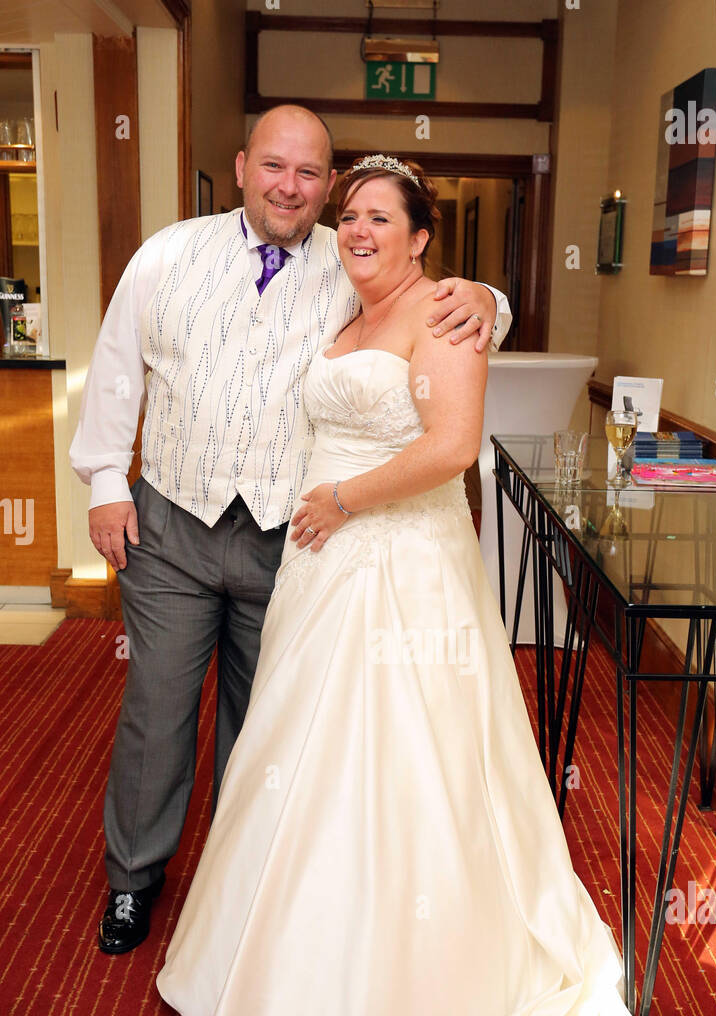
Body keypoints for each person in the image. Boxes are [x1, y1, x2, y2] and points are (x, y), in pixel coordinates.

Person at [155, 155, 716, 1016]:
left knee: (405, 763)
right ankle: (268, 964)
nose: (357, 230)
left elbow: (453, 448)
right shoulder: (338, 291)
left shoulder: (452, 313)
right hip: (324, 574)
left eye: (381, 217)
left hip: (400, 565)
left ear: (425, 238)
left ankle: (406, 995)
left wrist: (340, 495)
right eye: (349, 215)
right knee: (300, 756)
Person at [69, 107, 509, 957]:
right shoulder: (167, 253)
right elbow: (117, 365)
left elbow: (431, 308)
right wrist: (101, 482)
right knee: (156, 708)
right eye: (274, 166)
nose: (290, 187)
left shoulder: (350, 265)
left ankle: (250, 884)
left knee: (267, 714)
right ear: (241, 166)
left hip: (288, 532)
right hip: (170, 519)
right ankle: (134, 879)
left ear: (326, 185)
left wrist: (487, 297)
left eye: (311, 175)